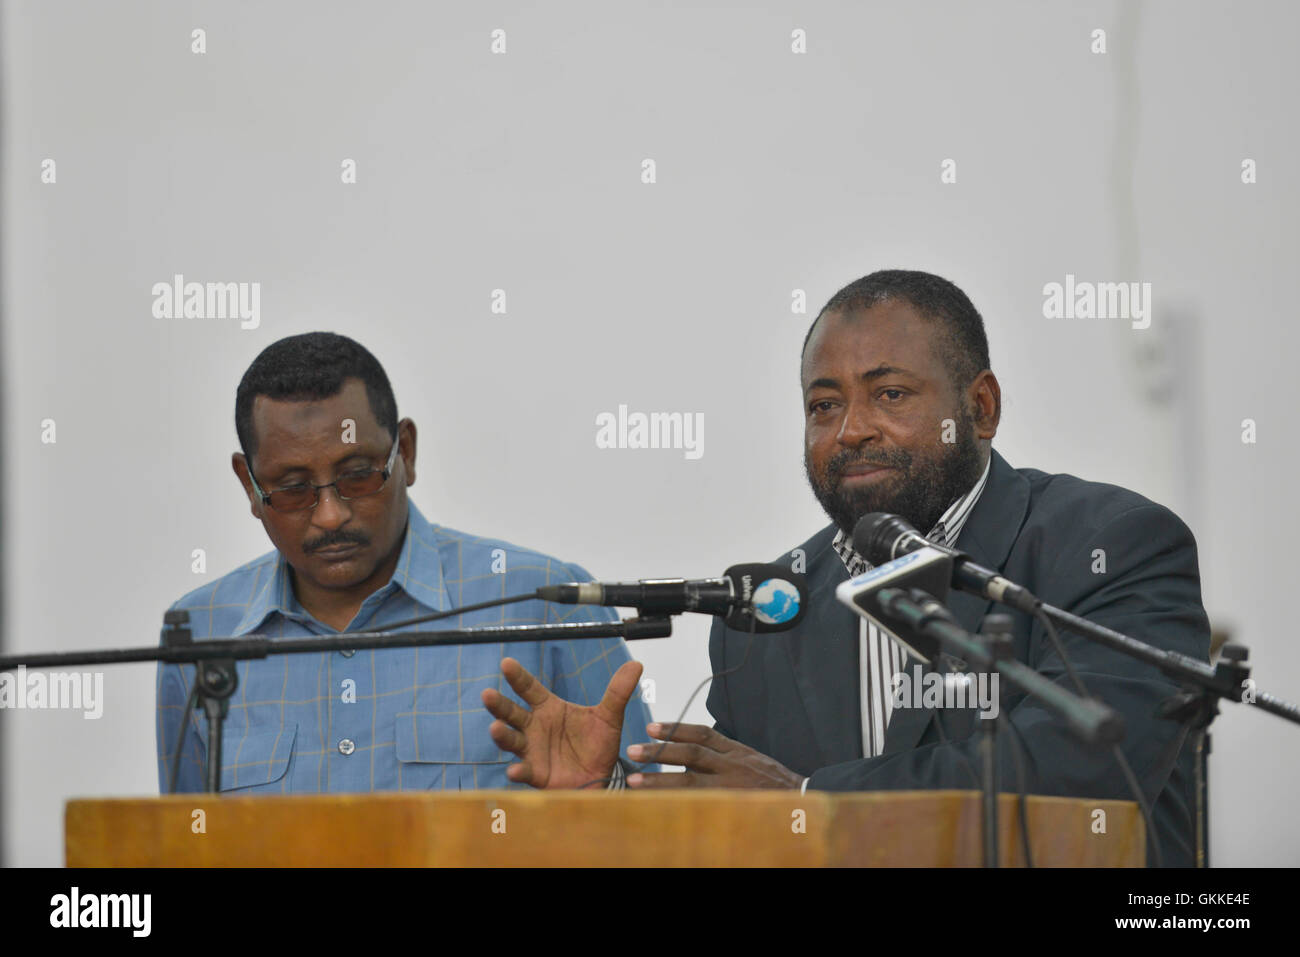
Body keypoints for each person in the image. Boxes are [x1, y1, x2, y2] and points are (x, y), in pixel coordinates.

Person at [483, 270, 1211, 866]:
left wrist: (806, 797)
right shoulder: (767, 612)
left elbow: (1082, 773)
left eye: (889, 394)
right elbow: (743, 836)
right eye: (823, 404)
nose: (850, 429)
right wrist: (609, 793)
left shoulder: (1112, 545)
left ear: (980, 408)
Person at [156, 332, 654, 793]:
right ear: (249, 484)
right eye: (292, 489)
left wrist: (604, 790)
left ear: (407, 453)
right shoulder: (201, 634)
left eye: (357, 475)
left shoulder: (545, 601)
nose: (330, 516)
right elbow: (184, 848)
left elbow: (660, 837)